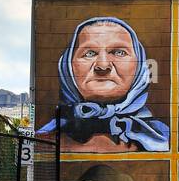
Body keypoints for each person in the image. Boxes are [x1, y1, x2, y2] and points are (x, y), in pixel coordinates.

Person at [38, 16, 169, 153]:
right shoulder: (41, 140)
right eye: (89, 53)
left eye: (119, 52)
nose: (102, 65)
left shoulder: (163, 138)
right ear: (68, 67)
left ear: (140, 67)